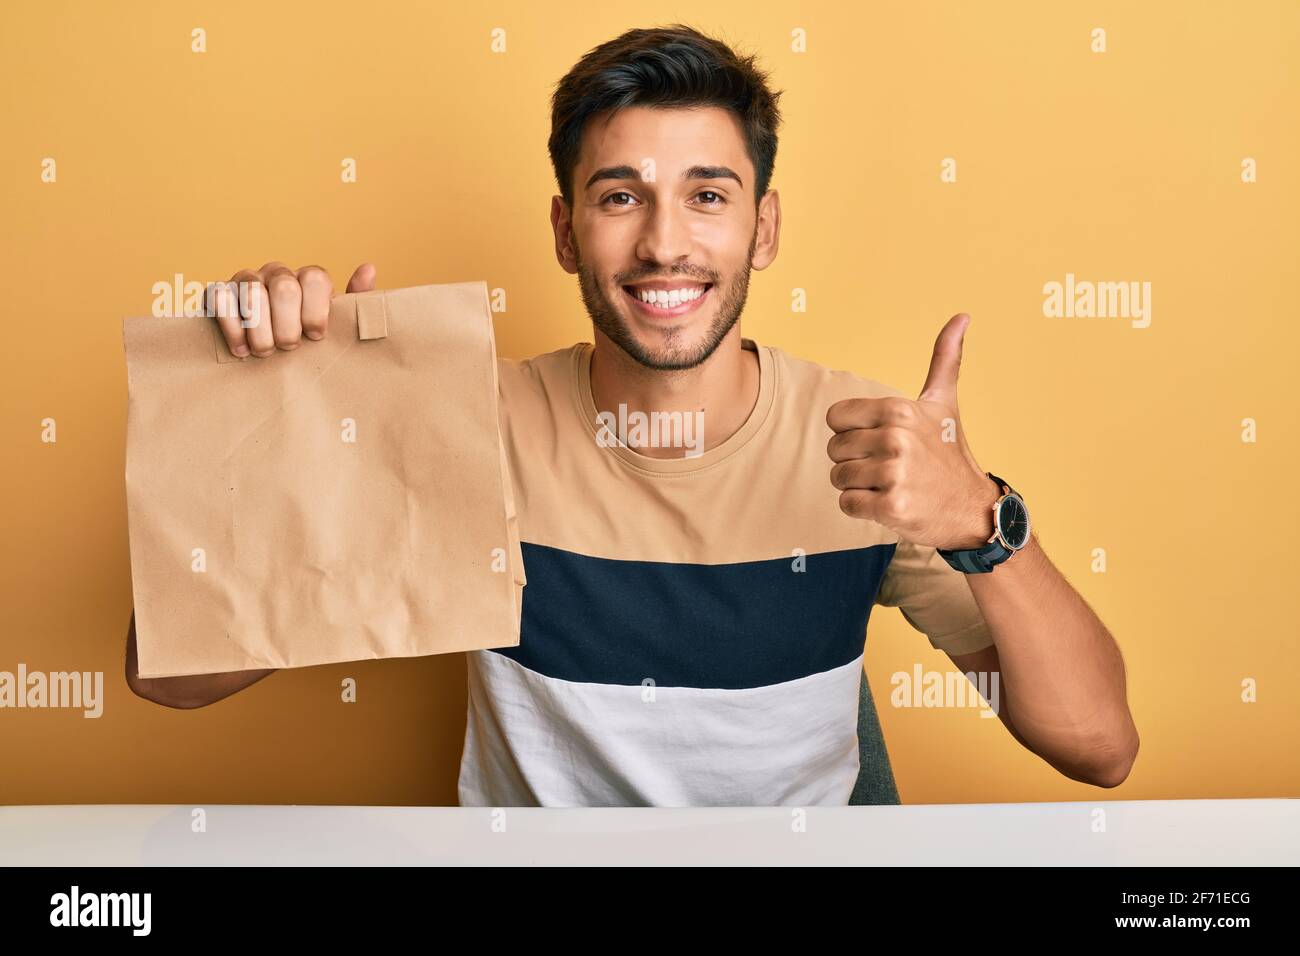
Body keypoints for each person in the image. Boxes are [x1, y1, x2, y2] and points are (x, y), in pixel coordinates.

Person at [126, 24, 1139, 806]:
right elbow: (168, 679)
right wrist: (300, 418)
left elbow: (1099, 745)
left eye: (707, 196)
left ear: (763, 225)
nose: (664, 243)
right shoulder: (471, 426)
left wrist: (983, 520)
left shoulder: (864, 443)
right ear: (566, 232)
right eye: (620, 197)